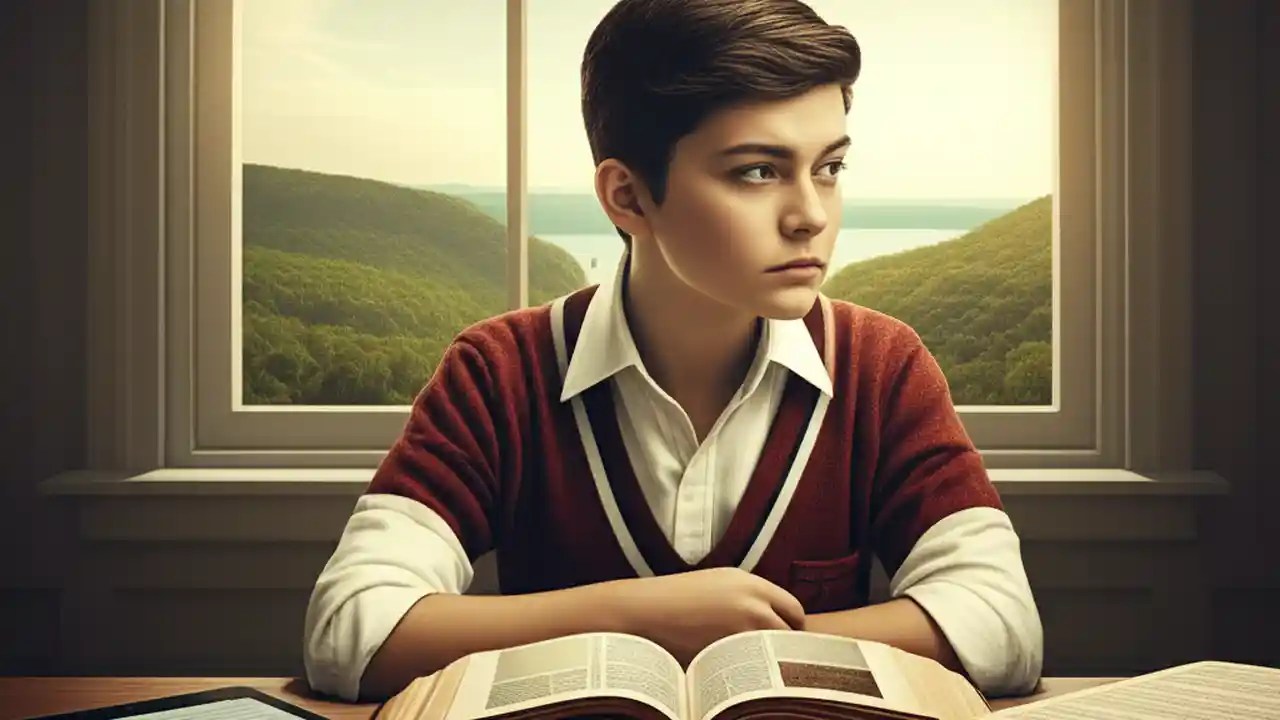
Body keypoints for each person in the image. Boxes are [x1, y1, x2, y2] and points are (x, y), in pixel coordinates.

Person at [302, 0, 1043, 703]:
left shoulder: (881, 366)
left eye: (829, 167)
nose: (811, 215)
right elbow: (349, 631)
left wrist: (741, 652)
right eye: (757, 171)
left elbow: (1002, 623)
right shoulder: (499, 372)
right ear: (627, 196)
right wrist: (638, 615)